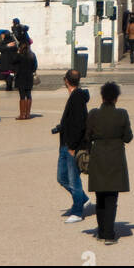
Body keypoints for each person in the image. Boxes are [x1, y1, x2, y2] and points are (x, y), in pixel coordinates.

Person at [85, 81, 132, 244]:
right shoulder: (122, 114)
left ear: (102, 96)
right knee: (112, 197)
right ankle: (109, 233)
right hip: (115, 157)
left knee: (100, 197)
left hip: (98, 156)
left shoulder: (93, 114)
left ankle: (102, 230)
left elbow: (87, 136)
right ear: (116, 98)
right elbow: (128, 137)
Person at [56, 69, 91, 223]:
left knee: (73, 178)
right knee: (62, 177)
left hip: (71, 145)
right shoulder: (77, 96)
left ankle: (77, 211)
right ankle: (82, 199)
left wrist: (72, 146)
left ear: (66, 81)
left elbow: (79, 124)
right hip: (66, 142)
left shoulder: (76, 98)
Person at [13, 39, 38, 119]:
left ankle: (22, 115)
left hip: (21, 78)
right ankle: (27, 114)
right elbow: (35, 67)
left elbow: (13, 61)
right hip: (29, 77)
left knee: (22, 96)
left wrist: (17, 52)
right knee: (29, 95)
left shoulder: (19, 56)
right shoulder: (32, 55)